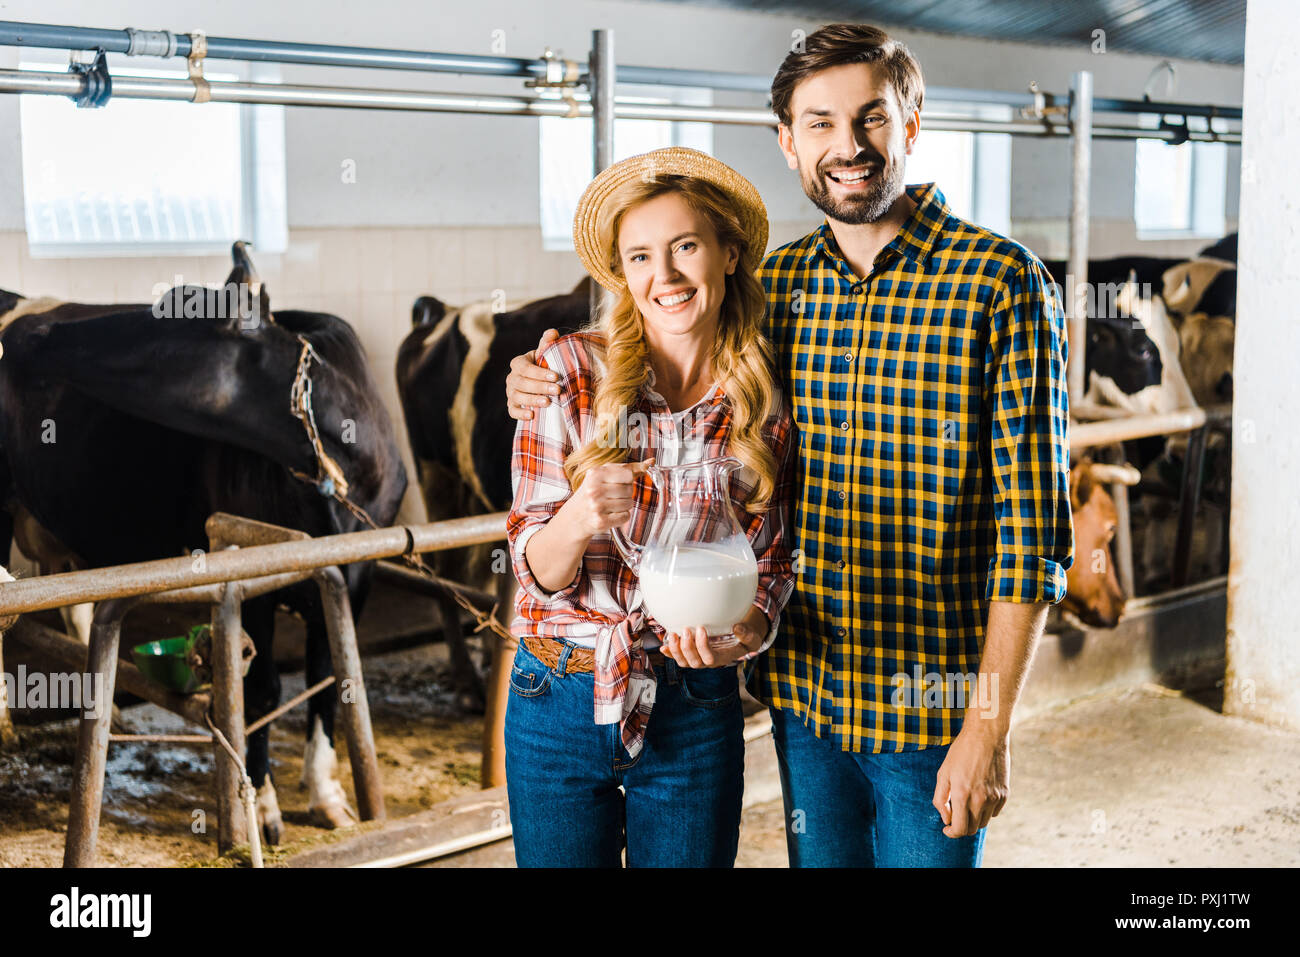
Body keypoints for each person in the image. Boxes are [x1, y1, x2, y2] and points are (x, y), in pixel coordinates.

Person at [506, 24, 1073, 868]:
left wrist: (988, 729)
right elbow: (666, 327)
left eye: (871, 119)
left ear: (912, 122)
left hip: (928, 704)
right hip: (805, 698)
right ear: (788, 141)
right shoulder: (784, 288)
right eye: (819, 123)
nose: (848, 146)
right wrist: (537, 372)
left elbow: (1031, 537)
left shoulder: (1001, 282)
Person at [505, 147, 797, 867]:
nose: (662, 277)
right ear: (621, 272)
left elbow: (771, 570)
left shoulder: (762, 402)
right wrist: (577, 515)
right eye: (639, 256)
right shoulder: (564, 374)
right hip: (558, 691)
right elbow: (532, 571)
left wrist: (742, 637)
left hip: (694, 697)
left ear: (729, 254)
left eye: (685, 247)